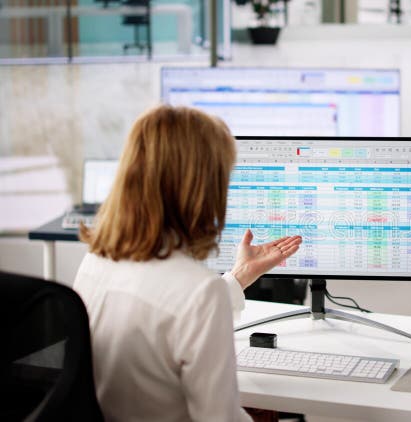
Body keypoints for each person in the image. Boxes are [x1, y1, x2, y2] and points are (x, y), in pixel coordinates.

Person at [73, 105, 302, 421]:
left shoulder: (96, 261)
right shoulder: (199, 292)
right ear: (202, 188)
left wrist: (238, 277)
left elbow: (164, 307)